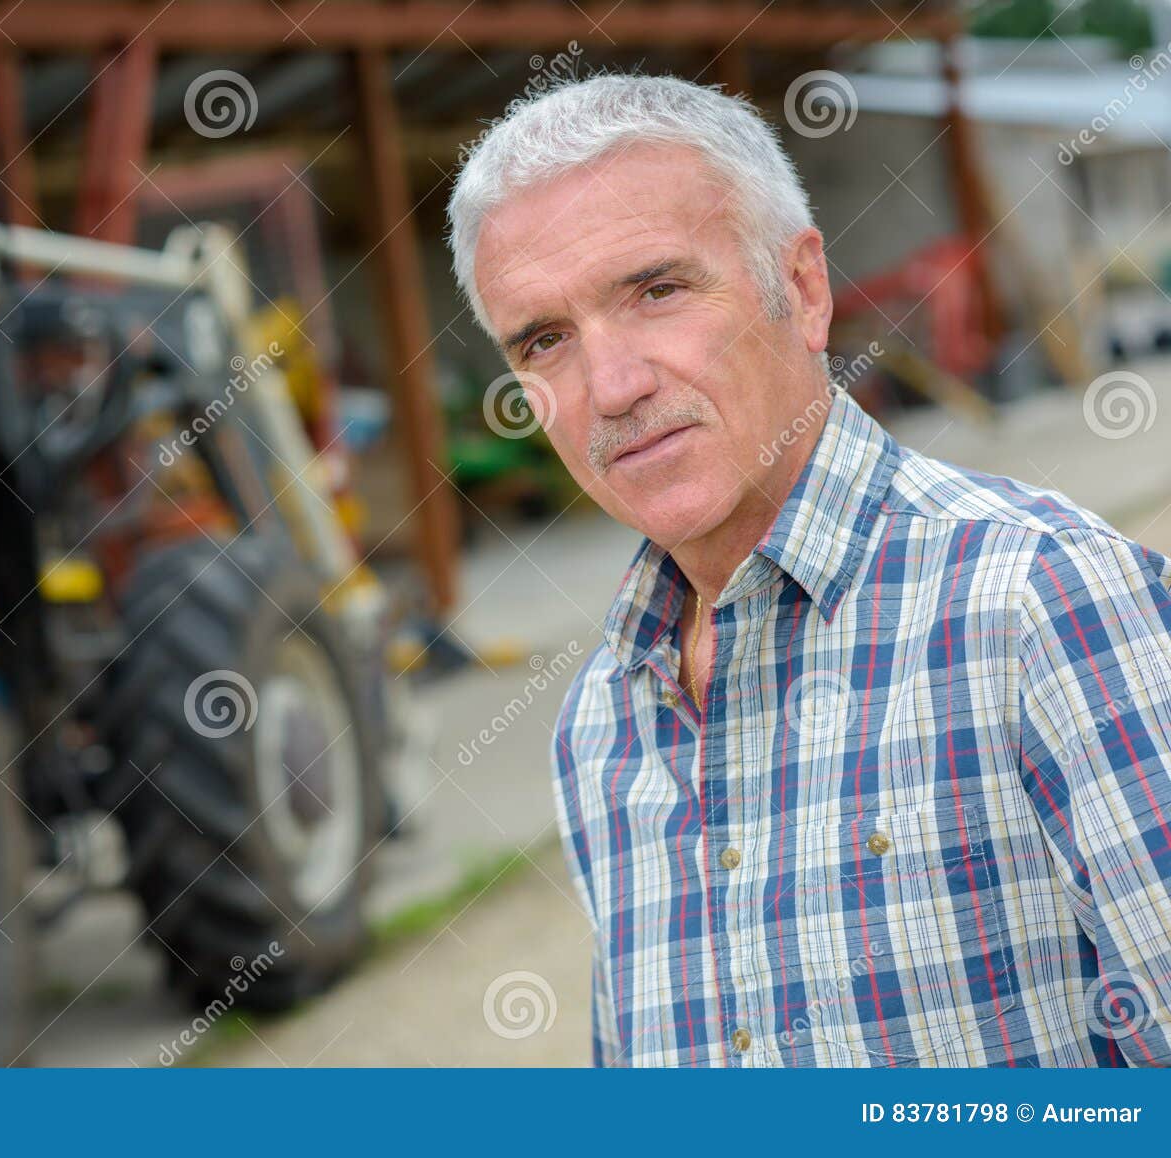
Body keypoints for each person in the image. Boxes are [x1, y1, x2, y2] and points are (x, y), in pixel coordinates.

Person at [446, 73, 1171, 1067]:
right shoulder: (601, 725)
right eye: (544, 340)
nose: (610, 387)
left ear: (802, 290)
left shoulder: (1038, 602)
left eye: (656, 291)